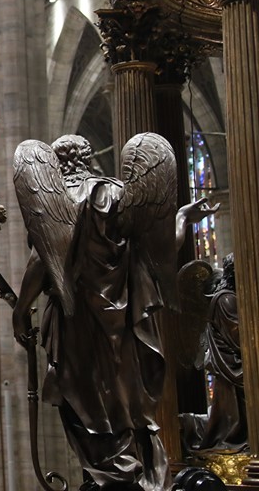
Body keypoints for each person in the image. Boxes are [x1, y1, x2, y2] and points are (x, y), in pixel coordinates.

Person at [13, 134, 216, 491]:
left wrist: (20, 309)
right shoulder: (119, 194)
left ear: (55, 165)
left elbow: (42, 262)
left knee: (84, 410)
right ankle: (135, 476)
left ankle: (116, 479)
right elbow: (159, 249)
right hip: (123, 327)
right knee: (125, 406)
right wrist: (182, 218)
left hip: (76, 327)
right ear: (88, 158)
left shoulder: (59, 199)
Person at [179, 254, 247, 453]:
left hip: (236, 364)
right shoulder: (226, 299)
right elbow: (240, 339)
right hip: (232, 366)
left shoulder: (230, 296)